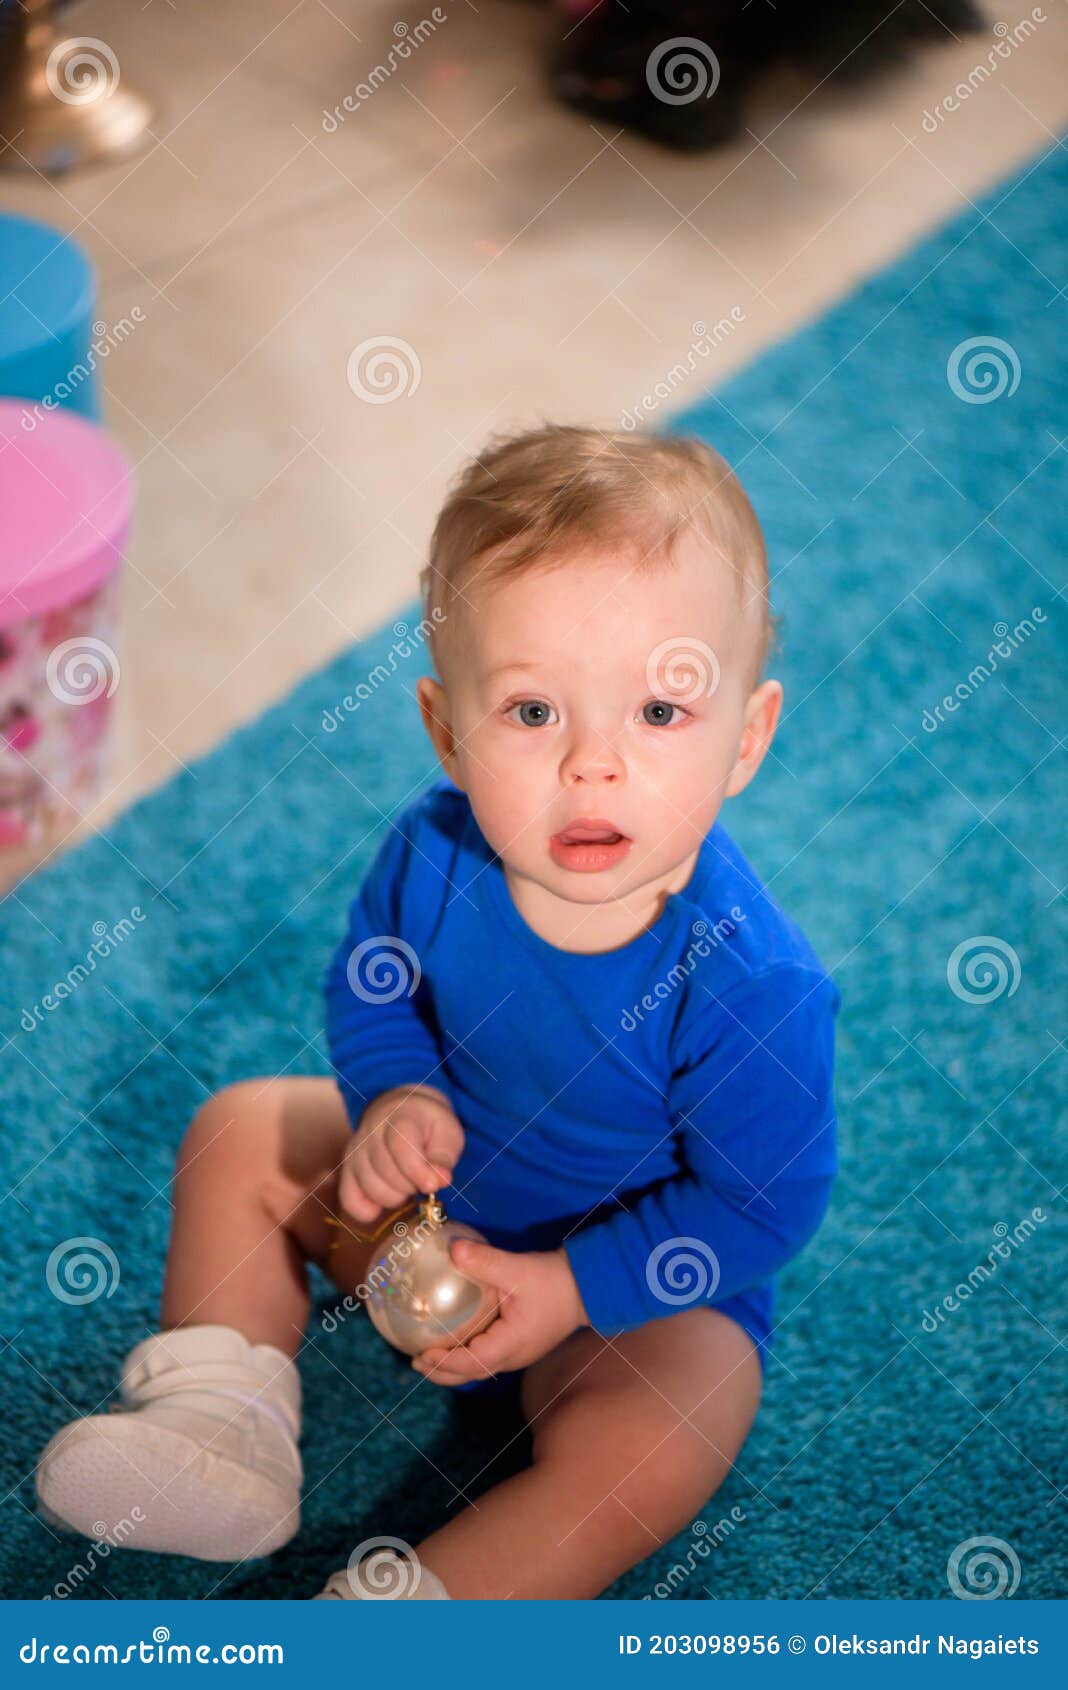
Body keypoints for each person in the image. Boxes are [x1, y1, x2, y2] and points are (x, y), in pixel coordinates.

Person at [36, 424, 839, 1600]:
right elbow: (374, 983)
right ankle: (221, 1422)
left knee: (670, 1430)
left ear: (747, 737)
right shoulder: (434, 850)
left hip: (622, 1310)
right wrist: (395, 1097)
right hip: (423, 1229)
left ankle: (420, 1608)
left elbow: (760, 1207)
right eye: (533, 711)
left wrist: (573, 1289)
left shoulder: (753, 981)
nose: (593, 764)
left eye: (660, 713)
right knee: (240, 1132)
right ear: (448, 730)